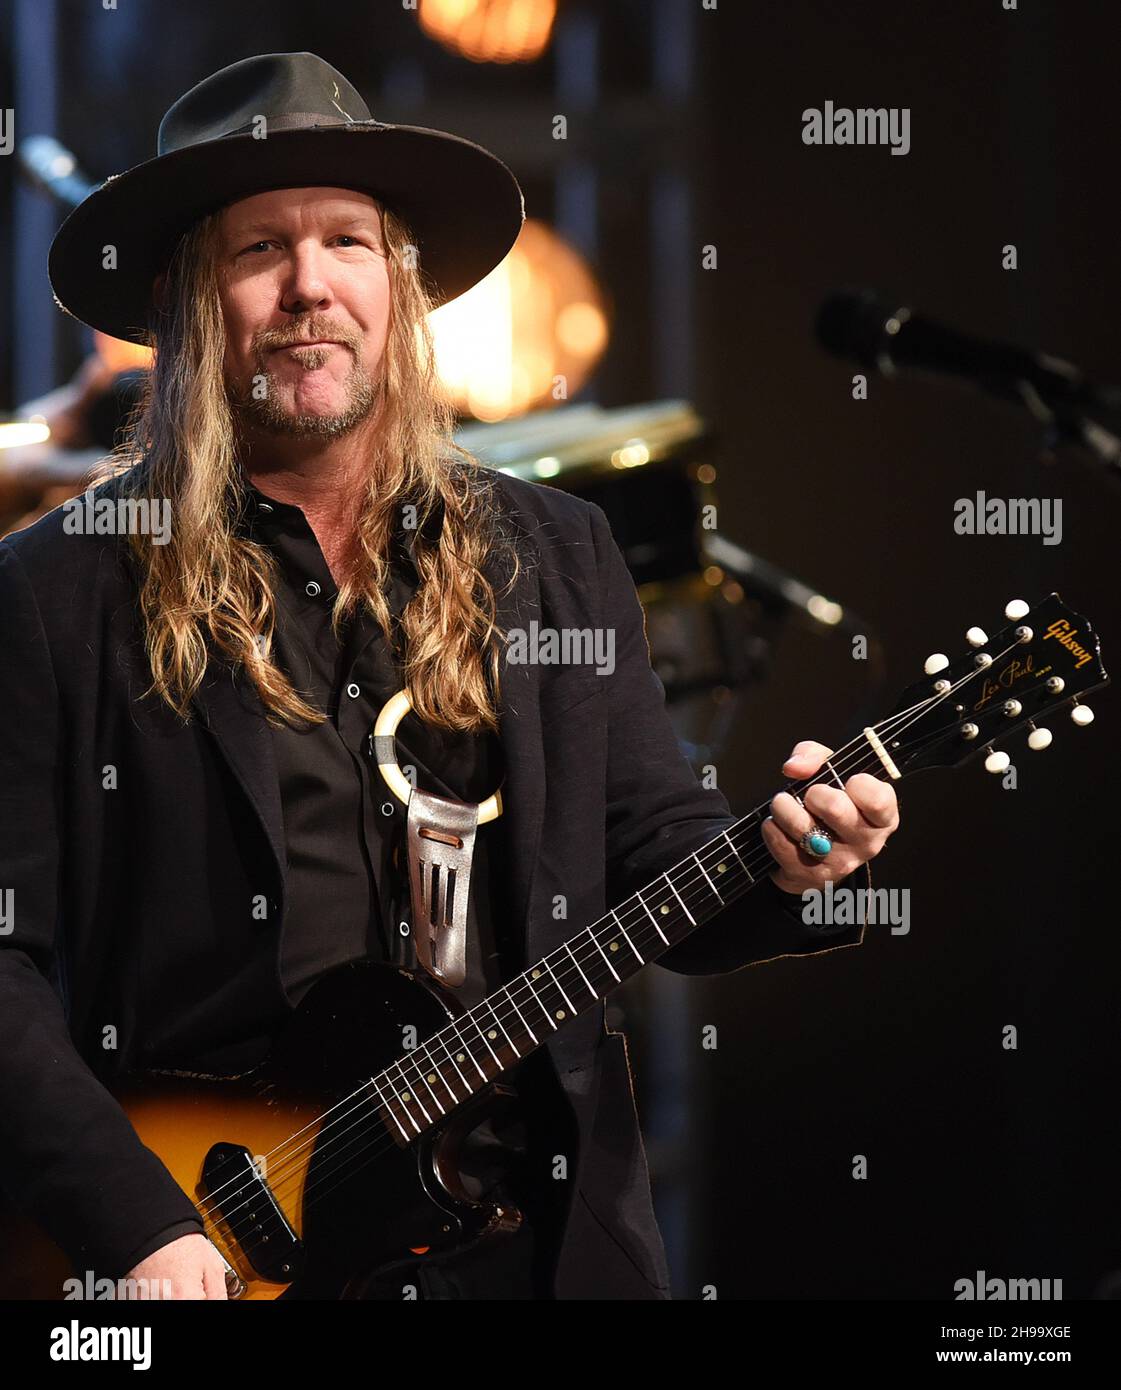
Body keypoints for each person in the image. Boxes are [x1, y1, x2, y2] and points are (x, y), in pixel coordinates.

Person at [0, 52, 899, 1301]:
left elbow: (651, 844)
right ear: (187, 300)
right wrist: (136, 1226)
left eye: (348, 242)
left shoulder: (553, 551)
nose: (309, 286)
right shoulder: (58, 590)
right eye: (260, 249)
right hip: (212, 1247)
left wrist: (791, 860)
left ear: (401, 283)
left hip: (533, 1250)